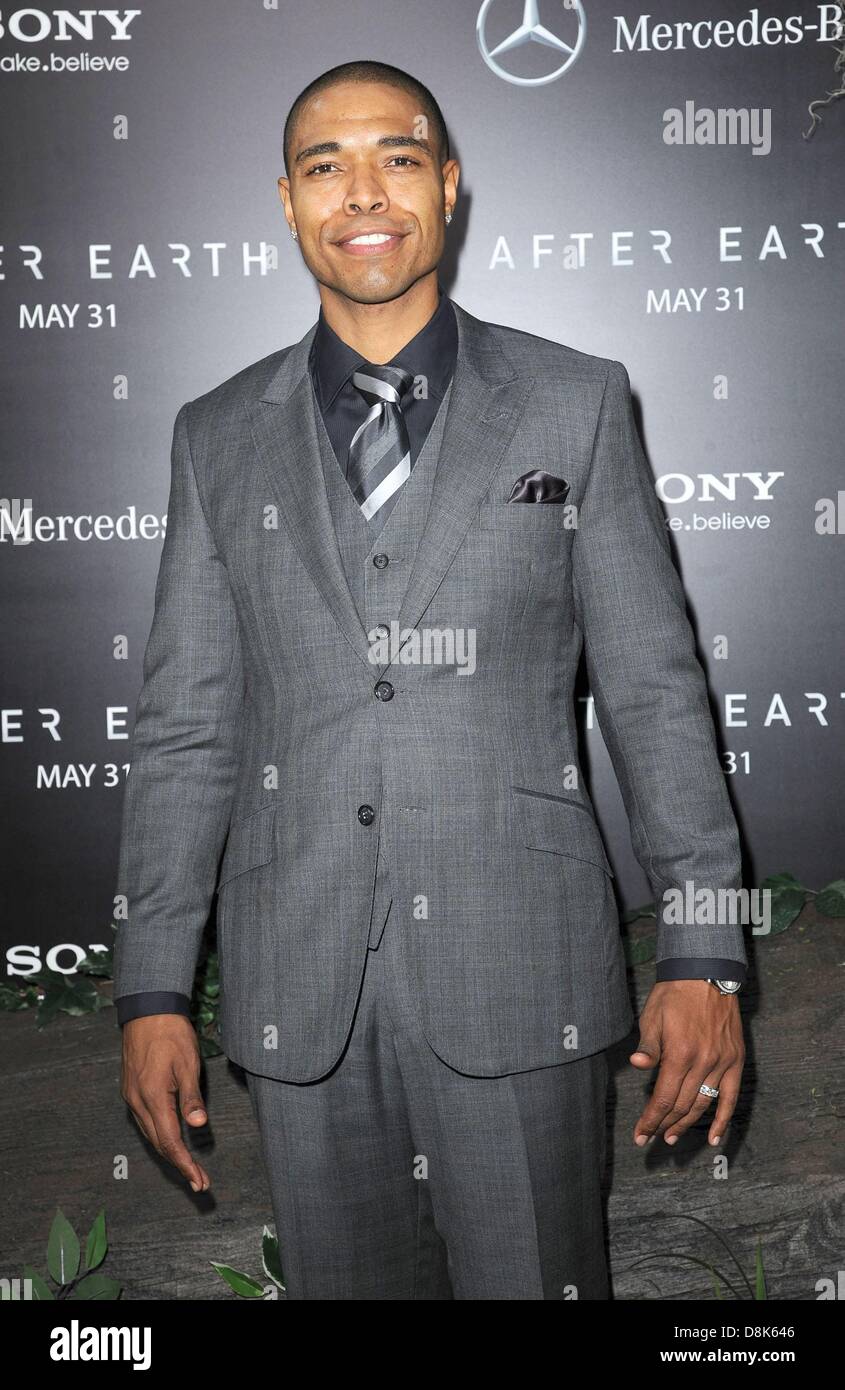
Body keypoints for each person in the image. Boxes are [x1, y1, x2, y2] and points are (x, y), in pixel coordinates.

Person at [114, 60, 747, 1300]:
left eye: (396, 159)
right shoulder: (214, 432)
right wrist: (150, 984)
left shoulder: (575, 404)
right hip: (299, 985)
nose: (364, 192)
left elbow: (654, 692)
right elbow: (188, 728)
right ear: (288, 204)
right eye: (324, 166)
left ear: (447, 188)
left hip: (521, 969)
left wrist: (705, 954)